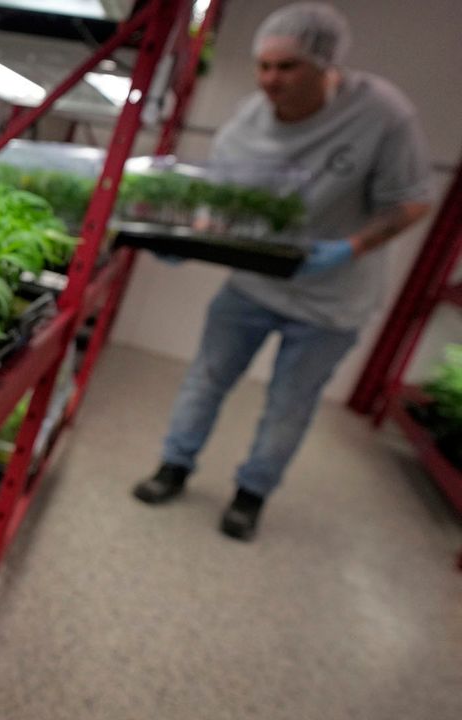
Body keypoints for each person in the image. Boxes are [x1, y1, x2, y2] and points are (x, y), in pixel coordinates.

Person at [133, 2, 434, 540]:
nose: (270, 80)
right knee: (205, 379)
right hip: (252, 285)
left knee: (289, 406)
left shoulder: (380, 113)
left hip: (332, 299)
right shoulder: (244, 126)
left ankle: (252, 494)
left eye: (287, 67)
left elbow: (412, 201)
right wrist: (190, 236)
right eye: (263, 66)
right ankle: (173, 466)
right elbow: (221, 203)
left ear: (324, 64)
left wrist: (350, 246)